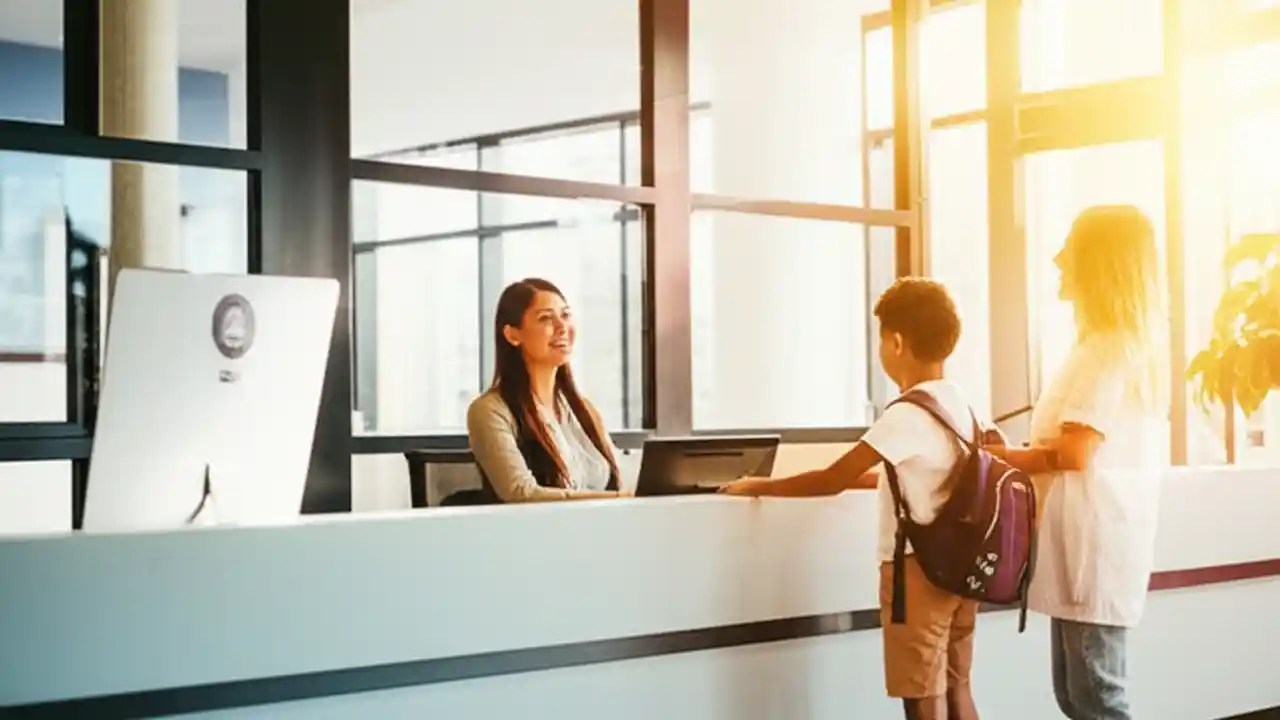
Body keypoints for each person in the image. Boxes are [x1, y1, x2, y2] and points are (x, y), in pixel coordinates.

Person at [721, 277, 985, 720]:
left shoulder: (908, 413)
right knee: (957, 688)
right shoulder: (962, 405)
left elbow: (833, 478)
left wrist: (758, 485)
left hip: (917, 573)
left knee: (922, 696)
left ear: (896, 342)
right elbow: (913, 475)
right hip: (962, 568)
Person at [985, 205, 1167, 720]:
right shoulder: (1102, 347)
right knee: (1078, 697)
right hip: (1083, 549)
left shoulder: (1110, 349)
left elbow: (1073, 453)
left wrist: (994, 459)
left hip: (1092, 549)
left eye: (1070, 249)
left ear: (1098, 263)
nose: (1058, 258)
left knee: (1096, 699)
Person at [466, 278, 626, 502]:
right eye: (546, 318)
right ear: (512, 335)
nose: (562, 327)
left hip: (597, 530)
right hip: (537, 533)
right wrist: (616, 498)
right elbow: (520, 492)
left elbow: (622, 478)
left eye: (566, 315)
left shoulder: (584, 409)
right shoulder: (490, 411)